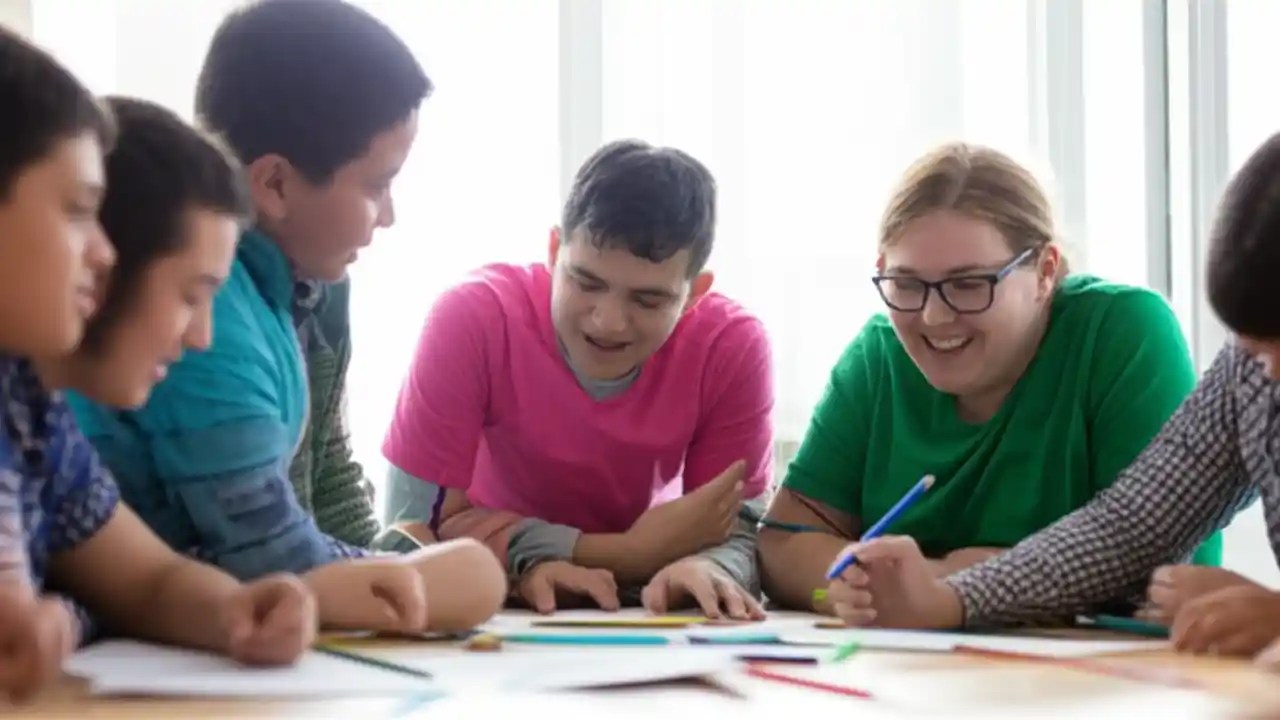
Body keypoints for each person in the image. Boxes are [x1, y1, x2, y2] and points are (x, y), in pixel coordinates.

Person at [65, 0, 506, 629]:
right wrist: (411, 576)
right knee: (474, 575)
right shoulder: (205, 321)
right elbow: (263, 557)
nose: (389, 216)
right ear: (273, 184)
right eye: (377, 186)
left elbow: (322, 485)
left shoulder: (315, 290)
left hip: (220, 590)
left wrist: (390, 559)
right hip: (242, 581)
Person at [820, 133, 1280, 669]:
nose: (1271, 373)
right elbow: (1132, 525)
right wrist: (951, 598)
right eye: (1254, 349)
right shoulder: (1254, 367)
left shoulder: (1126, 329)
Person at [759, 142, 1221, 615]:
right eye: (908, 284)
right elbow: (782, 542)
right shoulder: (879, 353)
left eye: (969, 284)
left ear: (1044, 272)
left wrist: (944, 586)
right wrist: (853, 589)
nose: (934, 316)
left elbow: (1153, 564)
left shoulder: (1124, 331)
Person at [0, 28, 314, 704]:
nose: (107, 255)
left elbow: (145, 579)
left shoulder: (27, 413)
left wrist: (232, 612)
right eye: (80, 211)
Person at [381, 140, 774, 619]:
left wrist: (711, 568)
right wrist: (627, 553)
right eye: (585, 282)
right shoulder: (473, 318)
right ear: (552, 252)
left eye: (648, 301)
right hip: (496, 596)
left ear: (694, 294)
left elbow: (739, 529)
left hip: (638, 606)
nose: (607, 321)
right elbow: (410, 532)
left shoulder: (731, 346)